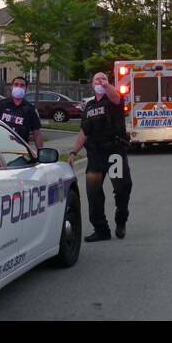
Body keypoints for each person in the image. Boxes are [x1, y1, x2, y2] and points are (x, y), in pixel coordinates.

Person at [68, 71, 132, 241]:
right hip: (96, 155)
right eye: (97, 79)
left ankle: (121, 219)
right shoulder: (88, 107)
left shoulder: (113, 100)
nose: (101, 81)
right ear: (91, 83)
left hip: (114, 153)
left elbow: (116, 96)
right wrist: (74, 152)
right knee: (93, 193)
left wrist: (106, 86)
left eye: (104, 78)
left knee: (122, 188)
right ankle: (101, 229)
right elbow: (84, 131)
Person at [0, 76, 44, 149]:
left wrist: (41, 151)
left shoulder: (30, 109)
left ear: (26, 89)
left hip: (20, 150)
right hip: (0, 148)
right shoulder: (1, 105)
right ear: (12, 87)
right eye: (16, 84)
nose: (19, 87)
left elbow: (37, 133)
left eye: (22, 85)